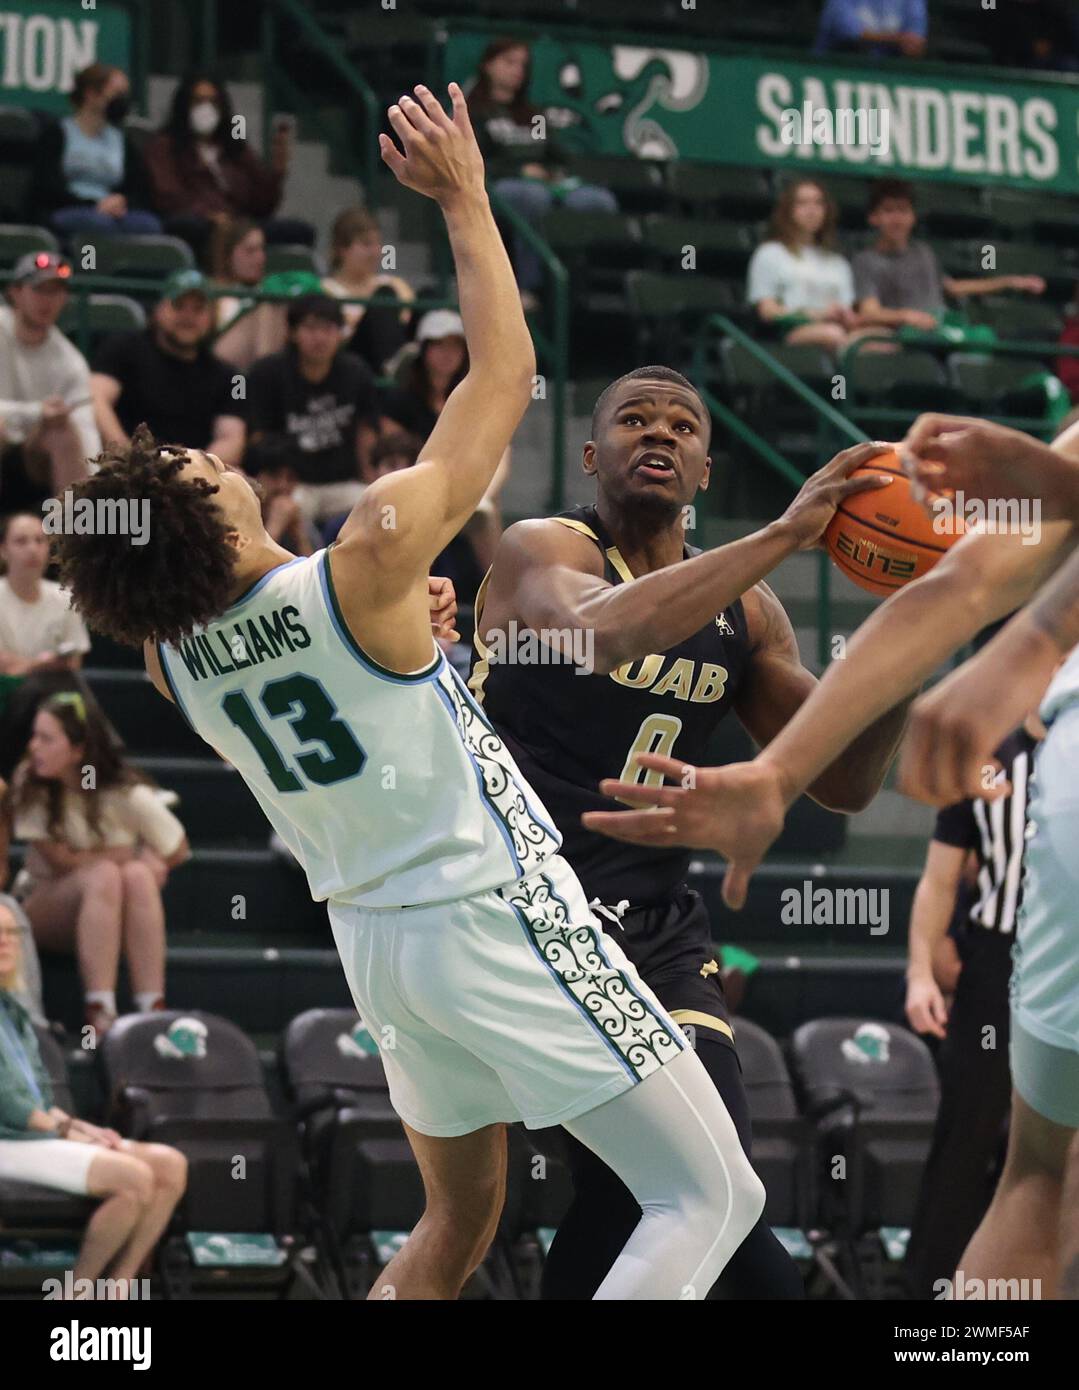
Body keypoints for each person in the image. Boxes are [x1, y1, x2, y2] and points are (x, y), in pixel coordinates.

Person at [52, 83, 768, 1302]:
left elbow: (322, 661)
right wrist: (467, 198)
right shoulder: (372, 557)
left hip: (376, 949)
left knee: (457, 1226)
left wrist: (419, 649)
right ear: (204, 517)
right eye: (191, 463)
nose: (211, 456)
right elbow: (505, 373)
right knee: (709, 1194)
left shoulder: (176, 661)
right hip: (490, 907)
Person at [583, 412, 1079, 1298]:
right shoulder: (548, 546)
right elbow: (954, 586)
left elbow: (960, 590)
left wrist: (1030, 628)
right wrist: (774, 773)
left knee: (1038, 1172)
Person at [471, 370, 910, 1299]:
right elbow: (598, 637)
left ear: (706, 469)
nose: (657, 435)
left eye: (681, 425)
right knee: (685, 1196)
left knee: (687, 1193)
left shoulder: (748, 613)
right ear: (591, 458)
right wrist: (785, 532)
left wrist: (903, 638)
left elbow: (843, 780)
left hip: (659, 929)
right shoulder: (541, 549)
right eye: (632, 420)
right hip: (524, 914)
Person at [903, 718, 1042, 1300]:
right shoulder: (988, 751)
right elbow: (938, 879)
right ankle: (927, 1304)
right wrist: (918, 972)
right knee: (967, 1135)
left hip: (1070, 960)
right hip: (997, 959)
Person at [0, 904, 188, 1296]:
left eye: (12, 933)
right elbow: (10, 1104)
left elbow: (38, 1092)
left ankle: (120, 1285)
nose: (5, 942)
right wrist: (67, 1131)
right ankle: (79, 1290)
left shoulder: (14, 1012)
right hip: (7, 1140)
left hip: (33, 1132)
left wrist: (85, 1128)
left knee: (170, 1165)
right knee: (133, 1178)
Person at [11, 692, 190, 1036]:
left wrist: (148, 863)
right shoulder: (31, 784)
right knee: (110, 873)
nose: (34, 746)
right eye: (35, 736)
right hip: (43, 907)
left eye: (46, 739)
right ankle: (100, 1010)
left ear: (78, 751)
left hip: (110, 914)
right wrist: (133, 853)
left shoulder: (124, 793)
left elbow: (178, 849)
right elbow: (62, 861)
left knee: (137, 875)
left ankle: (152, 1006)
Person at [467, 37, 618, 300]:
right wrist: (519, 172)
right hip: (499, 185)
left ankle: (584, 288)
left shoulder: (532, 114)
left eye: (523, 65)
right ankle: (528, 285)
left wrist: (555, 173)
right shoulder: (475, 111)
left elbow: (557, 156)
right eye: (509, 62)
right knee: (531, 197)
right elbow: (473, 162)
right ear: (487, 65)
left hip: (545, 185)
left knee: (599, 201)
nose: (517, 70)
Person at [143, 72, 313, 266]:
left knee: (300, 231)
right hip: (198, 223)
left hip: (237, 224)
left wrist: (277, 170)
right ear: (184, 105)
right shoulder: (163, 146)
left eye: (213, 102)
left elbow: (262, 205)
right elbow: (168, 196)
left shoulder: (236, 147)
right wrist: (210, 215)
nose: (206, 108)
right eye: (198, 101)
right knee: (190, 227)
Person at [246, 294, 379, 526]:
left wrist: (372, 479)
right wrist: (278, 482)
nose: (319, 337)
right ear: (293, 333)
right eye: (310, 328)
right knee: (288, 509)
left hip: (342, 482)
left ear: (340, 333)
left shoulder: (357, 372)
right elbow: (259, 436)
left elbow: (366, 431)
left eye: (328, 328)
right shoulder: (267, 373)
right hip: (294, 485)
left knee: (377, 505)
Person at [91, 269, 245, 467]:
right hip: (128, 470)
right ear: (159, 309)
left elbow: (232, 439)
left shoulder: (228, 376)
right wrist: (126, 454)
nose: (188, 316)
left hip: (194, 479)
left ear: (211, 317)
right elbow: (95, 397)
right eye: (179, 306)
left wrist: (191, 467)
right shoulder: (124, 349)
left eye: (198, 309)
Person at [854, 180, 1046, 332]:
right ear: (873, 217)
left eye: (903, 210)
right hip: (905, 335)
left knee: (983, 336)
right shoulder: (865, 261)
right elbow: (869, 312)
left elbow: (952, 288)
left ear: (913, 217)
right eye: (889, 210)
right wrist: (906, 316)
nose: (897, 219)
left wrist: (1009, 282)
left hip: (941, 328)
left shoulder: (924, 252)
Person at [0, 253, 99, 513]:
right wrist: (38, 412)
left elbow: (85, 429)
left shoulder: (71, 361)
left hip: (32, 461)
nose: (48, 300)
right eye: (39, 289)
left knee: (63, 432)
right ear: (16, 292)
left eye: (56, 292)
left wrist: (97, 483)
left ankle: (73, 543)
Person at [31, 63, 162, 240]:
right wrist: (93, 204)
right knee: (96, 225)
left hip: (113, 211)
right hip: (69, 207)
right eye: (117, 94)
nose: (122, 100)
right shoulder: (57, 134)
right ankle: (89, 265)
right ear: (91, 94)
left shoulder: (121, 140)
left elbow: (138, 186)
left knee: (147, 225)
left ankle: (130, 267)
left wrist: (122, 201)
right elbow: (46, 185)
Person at [747, 180, 870, 354]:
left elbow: (847, 309)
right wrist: (817, 315)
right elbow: (767, 311)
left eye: (818, 203)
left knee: (879, 342)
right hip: (789, 335)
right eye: (802, 203)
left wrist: (847, 316)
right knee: (833, 334)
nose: (811, 210)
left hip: (839, 331)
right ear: (788, 210)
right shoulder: (770, 253)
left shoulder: (838, 262)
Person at [323, 208, 415, 374]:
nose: (375, 252)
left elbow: (408, 322)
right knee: (383, 298)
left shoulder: (395, 284)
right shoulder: (325, 289)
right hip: (357, 362)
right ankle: (391, 365)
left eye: (377, 244)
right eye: (366, 244)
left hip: (400, 348)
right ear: (342, 249)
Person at [381, 309, 468, 442]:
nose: (447, 353)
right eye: (438, 343)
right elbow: (393, 449)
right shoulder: (398, 402)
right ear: (423, 349)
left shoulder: (472, 400)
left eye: (455, 345)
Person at [814, 0, 927, 58]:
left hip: (885, 72)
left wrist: (911, 44)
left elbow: (915, 41)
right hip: (833, 66)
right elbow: (853, 34)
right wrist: (899, 40)